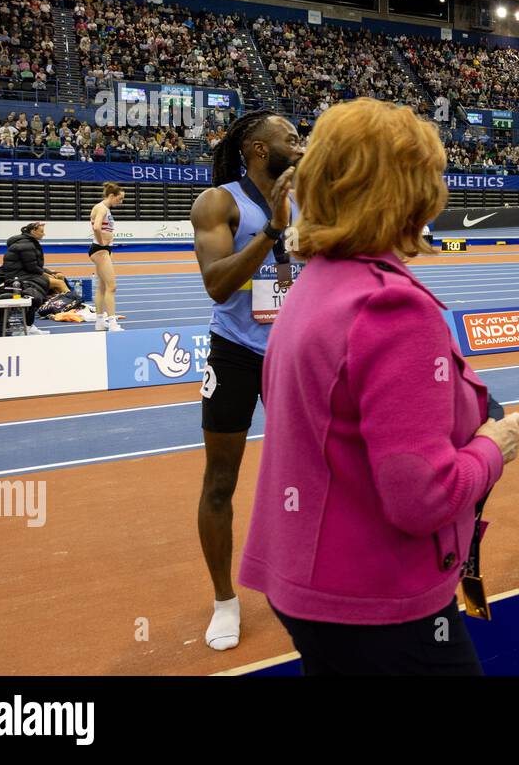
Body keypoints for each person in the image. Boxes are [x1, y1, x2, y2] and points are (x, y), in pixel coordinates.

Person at [239, 98, 519, 676]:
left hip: (304, 580)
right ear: (407, 192)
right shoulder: (391, 305)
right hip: (379, 599)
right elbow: (421, 497)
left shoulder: (313, 286)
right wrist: (495, 447)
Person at [190, 110, 304, 652]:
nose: (299, 143)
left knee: (311, 472)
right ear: (259, 150)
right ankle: (224, 601)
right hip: (236, 353)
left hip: (293, 355)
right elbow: (217, 284)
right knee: (220, 483)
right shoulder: (219, 202)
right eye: (290, 137)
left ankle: (301, 582)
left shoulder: (312, 194)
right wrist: (275, 230)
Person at [88, 182, 126, 332]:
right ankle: (112, 323)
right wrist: (102, 242)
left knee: (102, 287)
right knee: (112, 287)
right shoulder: (101, 208)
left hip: (103, 249)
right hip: (100, 249)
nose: (121, 202)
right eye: (120, 198)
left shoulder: (104, 209)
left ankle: (99, 322)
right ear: (112, 195)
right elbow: (97, 227)